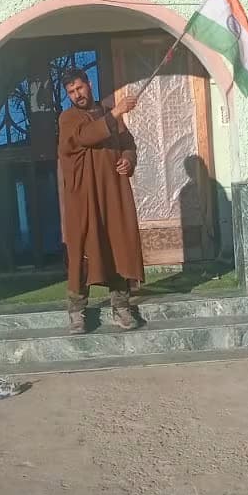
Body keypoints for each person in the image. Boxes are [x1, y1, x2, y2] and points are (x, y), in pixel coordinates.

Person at [58, 68, 144, 334]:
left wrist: (128, 160)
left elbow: (128, 143)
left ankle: (121, 306)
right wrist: (116, 112)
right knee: (81, 250)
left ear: (89, 84)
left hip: (112, 192)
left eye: (79, 88)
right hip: (83, 197)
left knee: (117, 243)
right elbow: (85, 137)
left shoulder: (108, 114)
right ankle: (77, 312)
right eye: (71, 92)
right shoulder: (68, 118)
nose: (77, 95)